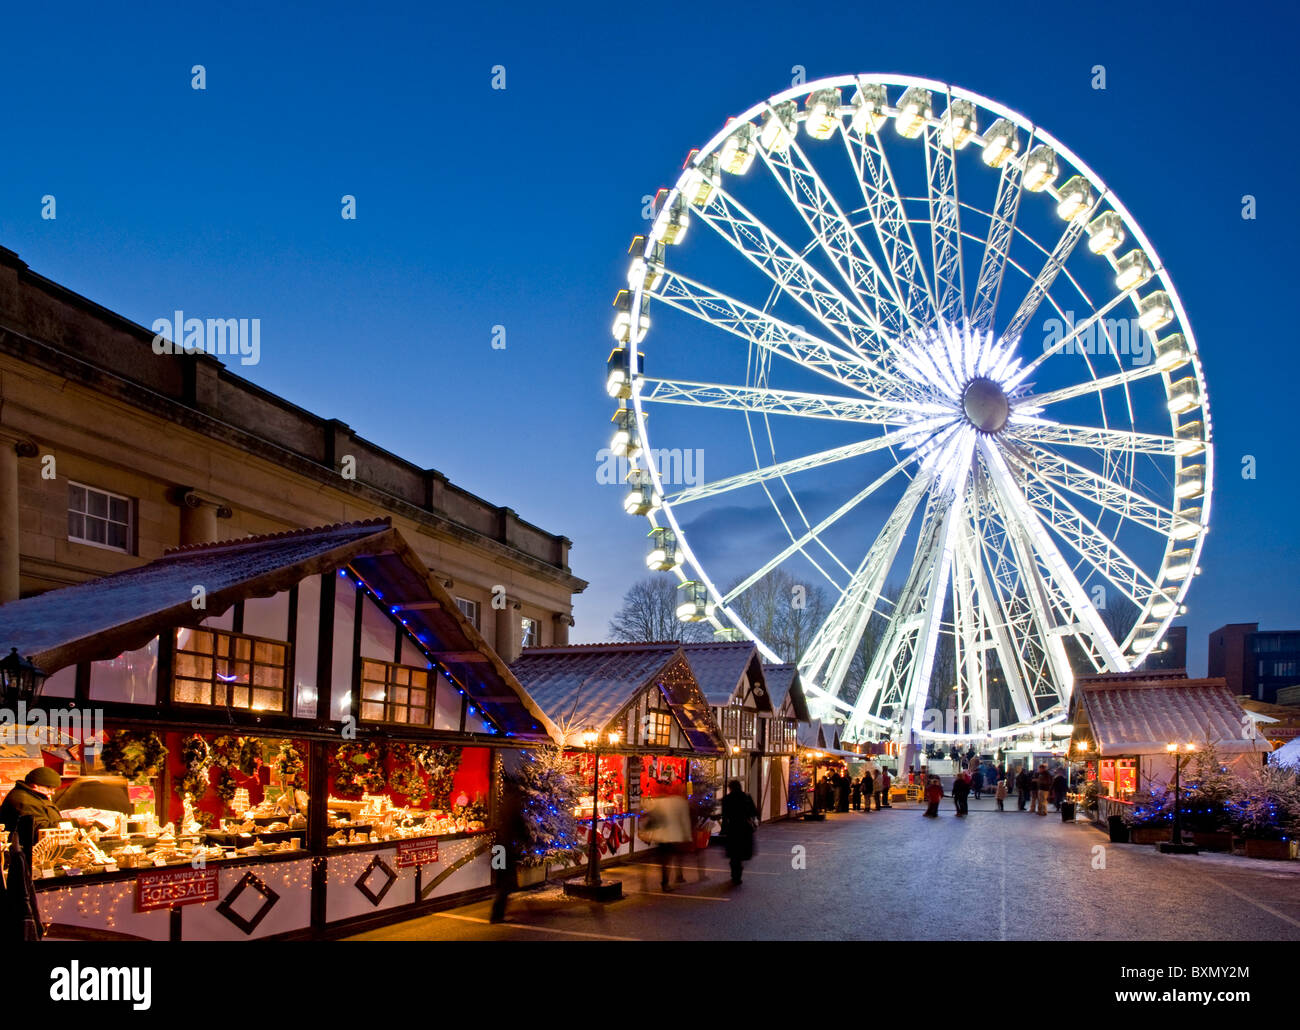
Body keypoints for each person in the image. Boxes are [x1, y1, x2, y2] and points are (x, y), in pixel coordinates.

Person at [489, 773, 528, 923]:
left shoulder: (503, 801)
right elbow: (519, 824)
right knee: (506, 880)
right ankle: (497, 912)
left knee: (501, 878)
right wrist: (524, 838)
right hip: (506, 847)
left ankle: (498, 909)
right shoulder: (513, 802)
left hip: (499, 846)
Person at [0, 767, 64, 838]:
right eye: (50, 788)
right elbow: (39, 829)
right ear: (35, 786)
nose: (53, 792)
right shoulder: (23, 800)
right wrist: (74, 822)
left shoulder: (33, 796)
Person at [649, 792, 692, 889]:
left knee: (665, 860)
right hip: (674, 835)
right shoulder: (681, 803)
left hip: (662, 836)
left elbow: (652, 817)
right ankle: (678, 876)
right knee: (676, 857)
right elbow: (684, 820)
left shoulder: (659, 802)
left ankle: (666, 881)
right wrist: (687, 835)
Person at [720, 779, 757, 885]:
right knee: (741, 852)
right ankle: (738, 874)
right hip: (744, 828)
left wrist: (723, 829)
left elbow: (725, 815)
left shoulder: (726, 799)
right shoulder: (746, 797)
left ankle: (735, 874)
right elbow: (753, 812)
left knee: (734, 853)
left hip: (732, 828)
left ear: (730, 788)